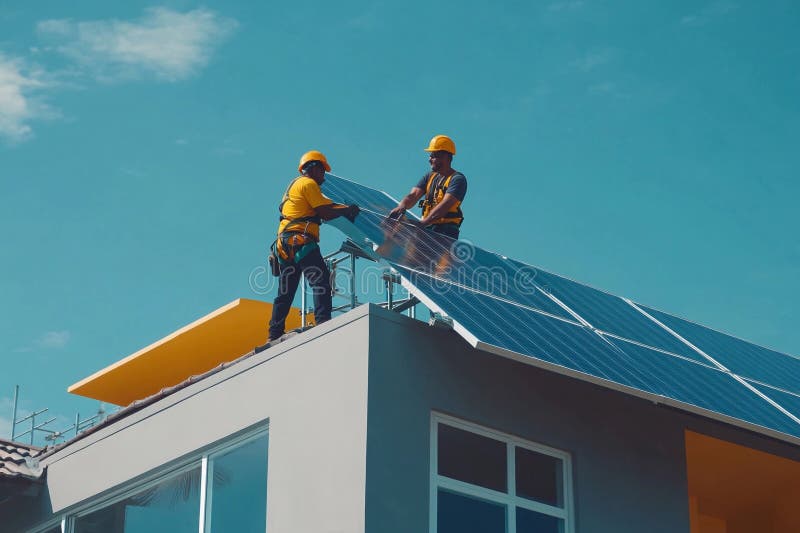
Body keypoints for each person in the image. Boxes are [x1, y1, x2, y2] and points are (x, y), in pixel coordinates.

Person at [268, 150, 359, 342]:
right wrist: (347, 211)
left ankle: (274, 333)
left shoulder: (295, 185)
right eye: (322, 171)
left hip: (284, 245)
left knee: (285, 292)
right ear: (314, 168)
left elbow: (325, 206)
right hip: (300, 241)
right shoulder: (309, 184)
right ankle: (323, 322)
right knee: (321, 280)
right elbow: (325, 212)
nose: (324, 177)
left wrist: (343, 209)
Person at [388, 134, 467, 239]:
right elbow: (413, 195)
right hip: (427, 227)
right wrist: (402, 206)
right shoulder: (429, 176)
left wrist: (423, 223)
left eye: (433, 156)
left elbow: (445, 205)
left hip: (445, 231)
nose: (429, 159)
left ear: (446, 157)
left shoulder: (457, 179)